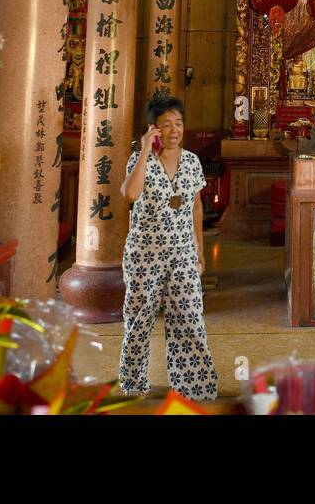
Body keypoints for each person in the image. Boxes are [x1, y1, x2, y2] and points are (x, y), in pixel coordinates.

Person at [117, 94, 218, 400]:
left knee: (189, 315)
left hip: (183, 252)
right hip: (145, 253)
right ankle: (133, 382)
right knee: (139, 318)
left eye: (179, 123)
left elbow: (196, 208)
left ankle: (193, 384)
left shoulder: (191, 162)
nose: (175, 130)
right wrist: (146, 148)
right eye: (167, 125)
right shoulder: (140, 159)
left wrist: (199, 251)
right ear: (154, 128)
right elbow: (130, 194)